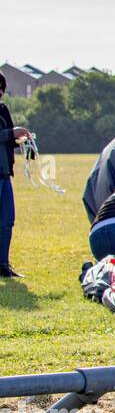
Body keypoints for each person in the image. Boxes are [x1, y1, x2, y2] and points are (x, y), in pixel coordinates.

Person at [0, 70, 34, 278]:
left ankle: (3, 264)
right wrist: (10, 133)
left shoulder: (3, 110)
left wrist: (22, 139)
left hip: (4, 173)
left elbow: (9, 140)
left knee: (7, 220)